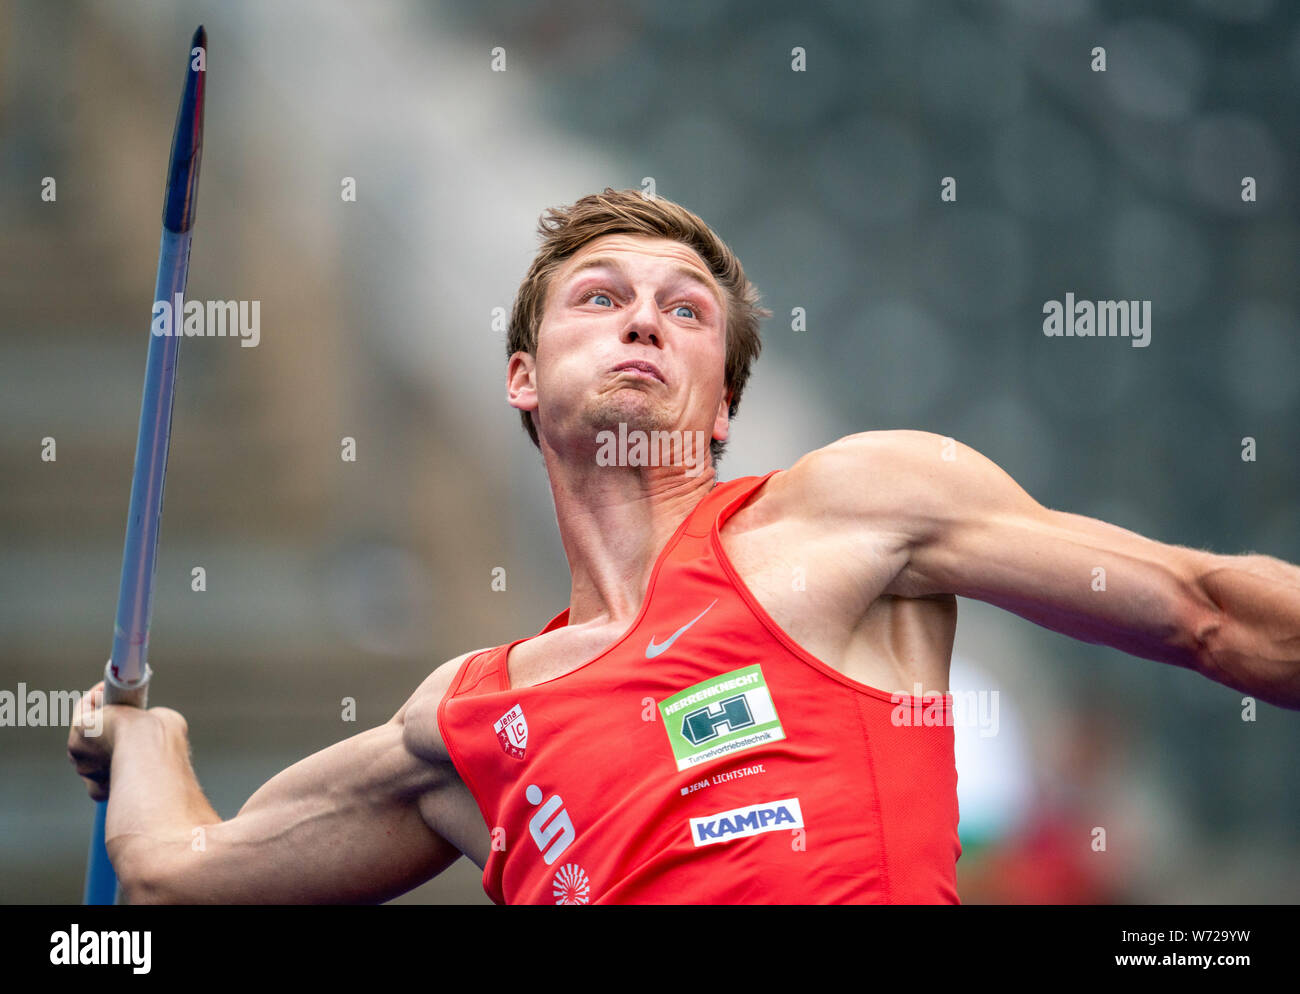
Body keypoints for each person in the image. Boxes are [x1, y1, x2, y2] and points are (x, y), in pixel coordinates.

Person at [68, 188, 1300, 905]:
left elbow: (1209, 611)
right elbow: (179, 873)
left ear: (721, 405)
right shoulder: (463, 724)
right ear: (521, 376)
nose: (645, 317)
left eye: (686, 309)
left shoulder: (849, 511)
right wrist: (144, 736)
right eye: (600, 297)